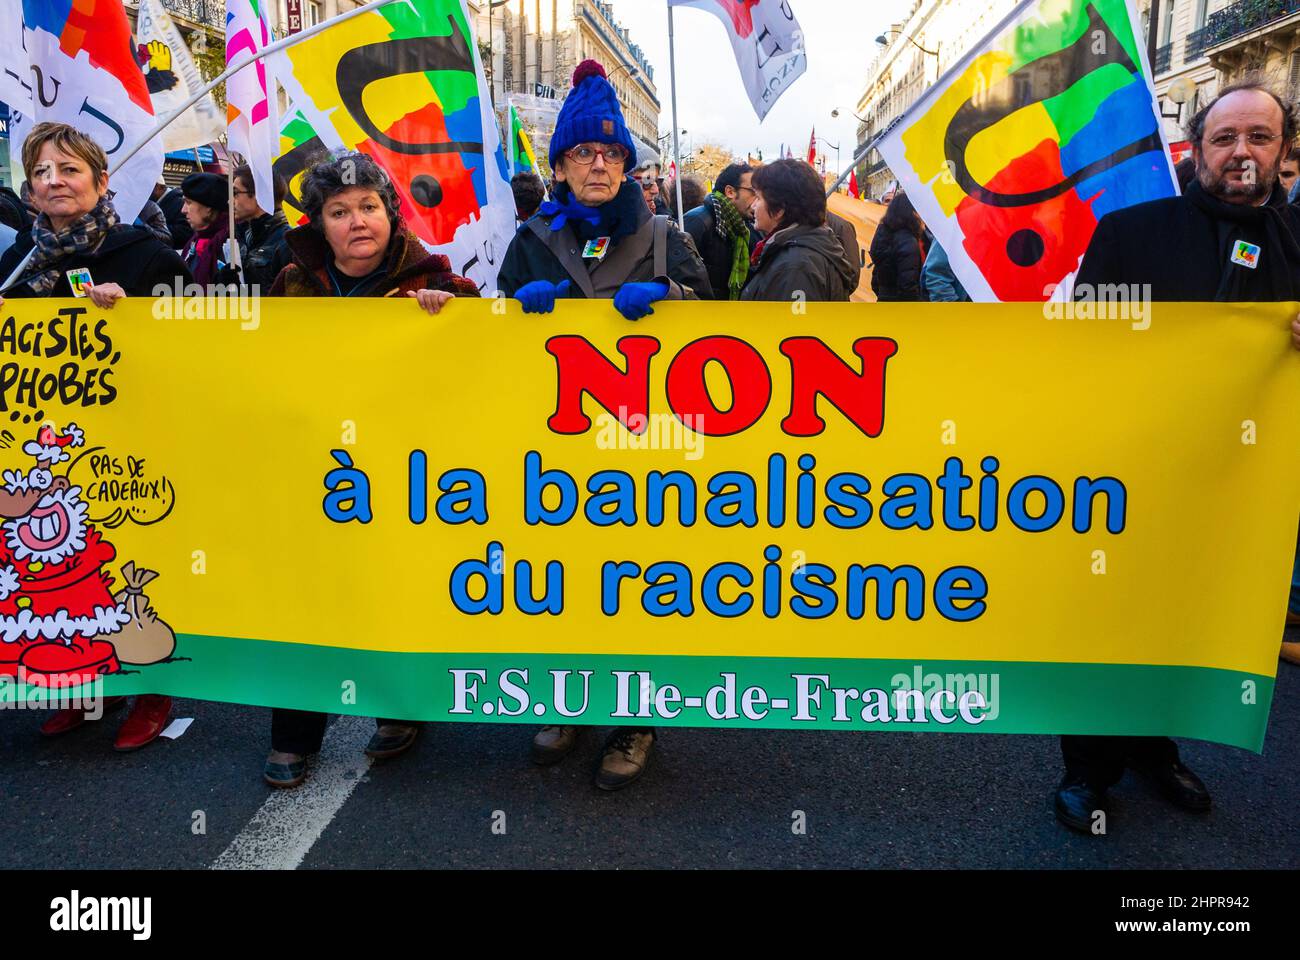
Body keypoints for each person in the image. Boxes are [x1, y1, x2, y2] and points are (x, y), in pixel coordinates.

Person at [1061, 80, 1300, 834]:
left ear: (1282, 152)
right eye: (1224, 137)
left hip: (1241, 482)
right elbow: (1084, 349)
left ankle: (1151, 749)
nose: (1241, 152)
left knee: (1189, 622)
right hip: (1135, 470)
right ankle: (1087, 768)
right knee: (1112, 621)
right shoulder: (1133, 231)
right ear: (1196, 148)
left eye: (1258, 137)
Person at [497, 59, 711, 790]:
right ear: (558, 164)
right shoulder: (531, 237)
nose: (600, 163)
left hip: (646, 446)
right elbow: (488, 336)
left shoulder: (660, 234)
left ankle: (635, 721)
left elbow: (727, 321)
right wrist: (509, 309)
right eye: (585, 152)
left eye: (613, 153)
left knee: (640, 585)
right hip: (558, 447)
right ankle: (568, 701)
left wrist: (674, 292)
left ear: (628, 163)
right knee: (566, 580)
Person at [264, 150, 478, 787]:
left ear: (390, 213)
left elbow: (483, 368)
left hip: (400, 477)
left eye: (368, 206)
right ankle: (294, 732)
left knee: (392, 588)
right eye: (339, 211)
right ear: (319, 223)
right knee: (308, 596)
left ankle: (398, 708)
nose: (357, 221)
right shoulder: (291, 284)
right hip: (313, 468)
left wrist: (455, 315)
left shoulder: (435, 279)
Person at [0, 121, 190, 752]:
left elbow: (200, 345)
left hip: (134, 444)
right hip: (49, 454)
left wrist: (136, 315)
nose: (55, 181)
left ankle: (152, 689)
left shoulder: (146, 255)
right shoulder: (16, 263)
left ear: (101, 180)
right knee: (64, 573)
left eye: (70, 169)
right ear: (29, 190)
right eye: (42, 173)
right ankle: (86, 688)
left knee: (137, 568)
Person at [740, 158, 854, 302]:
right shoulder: (799, 252)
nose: (753, 205)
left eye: (759, 198)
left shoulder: (796, 266)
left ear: (779, 209)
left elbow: (794, 322)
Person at [684, 162, 757, 300]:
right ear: (730, 192)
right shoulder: (698, 222)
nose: (758, 199)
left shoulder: (746, 227)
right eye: (753, 192)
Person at [232, 163, 290, 292]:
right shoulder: (243, 236)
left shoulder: (287, 243)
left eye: (235, 193)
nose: (230, 201)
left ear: (259, 195)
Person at [869, 190, 926, 301]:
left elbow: (875, 281)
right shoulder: (908, 241)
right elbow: (908, 286)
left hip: (884, 301)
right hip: (903, 310)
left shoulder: (883, 236)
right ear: (911, 212)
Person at [179, 172, 233, 287]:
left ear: (208, 207)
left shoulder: (229, 242)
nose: (183, 210)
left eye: (189, 203)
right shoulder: (196, 240)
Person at [155, 180, 191, 250]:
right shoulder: (157, 201)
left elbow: (185, 231)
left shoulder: (179, 202)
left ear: (157, 187)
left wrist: (156, 228)